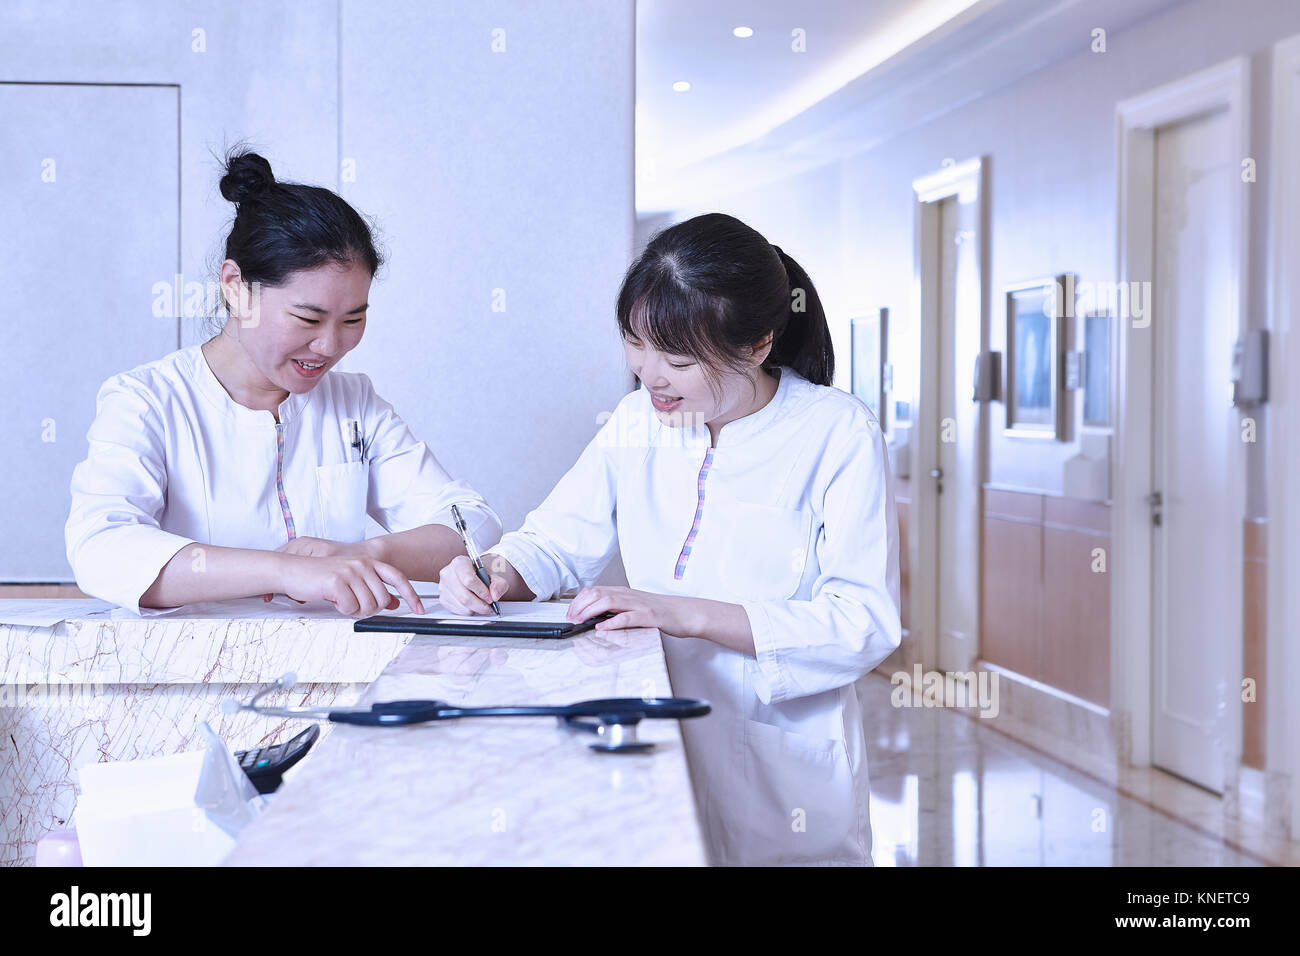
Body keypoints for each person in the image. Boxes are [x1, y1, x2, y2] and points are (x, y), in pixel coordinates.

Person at [437, 213, 900, 865]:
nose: (649, 375)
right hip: (655, 740)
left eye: (677, 358)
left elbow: (863, 623)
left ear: (758, 344)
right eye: (635, 343)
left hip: (783, 770)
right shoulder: (636, 422)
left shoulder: (837, 433)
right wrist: (495, 568)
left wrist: (678, 613)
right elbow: (554, 539)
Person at [66, 149, 500, 616]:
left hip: (337, 672)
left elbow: (471, 522)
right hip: (199, 676)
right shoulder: (148, 401)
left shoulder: (354, 404)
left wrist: (366, 553)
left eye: (353, 319)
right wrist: (282, 569)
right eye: (307, 318)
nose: (330, 345)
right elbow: (102, 548)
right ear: (235, 285)